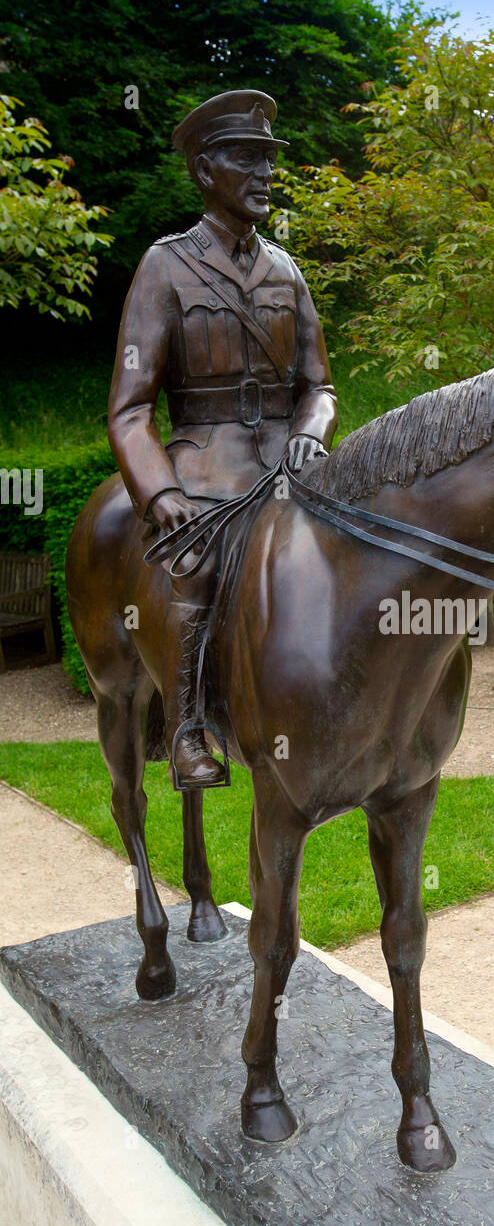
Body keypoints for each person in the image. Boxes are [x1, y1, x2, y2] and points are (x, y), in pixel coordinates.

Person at [108, 90, 337, 789]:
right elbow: (128, 409)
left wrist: (313, 433)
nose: (267, 172)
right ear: (206, 171)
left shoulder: (287, 272)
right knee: (197, 564)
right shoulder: (164, 267)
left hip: (287, 472)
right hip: (205, 472)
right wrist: (160, 492)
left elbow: (318, 386)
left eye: (270, 158)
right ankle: (187, 729)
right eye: (249, 158)